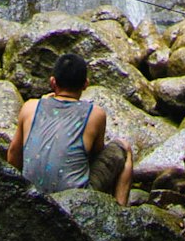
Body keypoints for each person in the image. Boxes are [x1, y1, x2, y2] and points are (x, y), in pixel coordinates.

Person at [8, 52, 134, 206]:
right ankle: (121, 214)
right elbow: (96, 155)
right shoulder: (95, 114)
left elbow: (13, 153)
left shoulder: (30, 107)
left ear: (53, 82)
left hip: (32, 195)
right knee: (124, 148)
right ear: (85, 84)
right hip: (76, 202)